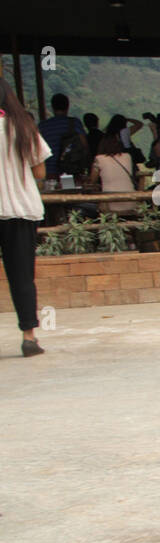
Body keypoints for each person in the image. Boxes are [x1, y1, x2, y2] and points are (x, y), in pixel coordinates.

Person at [0, 78, 52, 357]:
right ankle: (29, 337)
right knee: (22, 276)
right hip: (20, 210)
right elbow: (40, 172)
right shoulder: (22, 127)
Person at [38, 92, 87, 178]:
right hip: (71, 170)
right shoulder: (74, 123)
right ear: (67, 107)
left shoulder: (43, 126)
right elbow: (84, 145)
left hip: (49, 170)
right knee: (71, 190)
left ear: (53, 107)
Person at [86, 132, 137, 216]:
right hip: (131, 203)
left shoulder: (99, 159)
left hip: (110, 206)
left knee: (83, 207)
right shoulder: (128, 156)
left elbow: (92, 181)